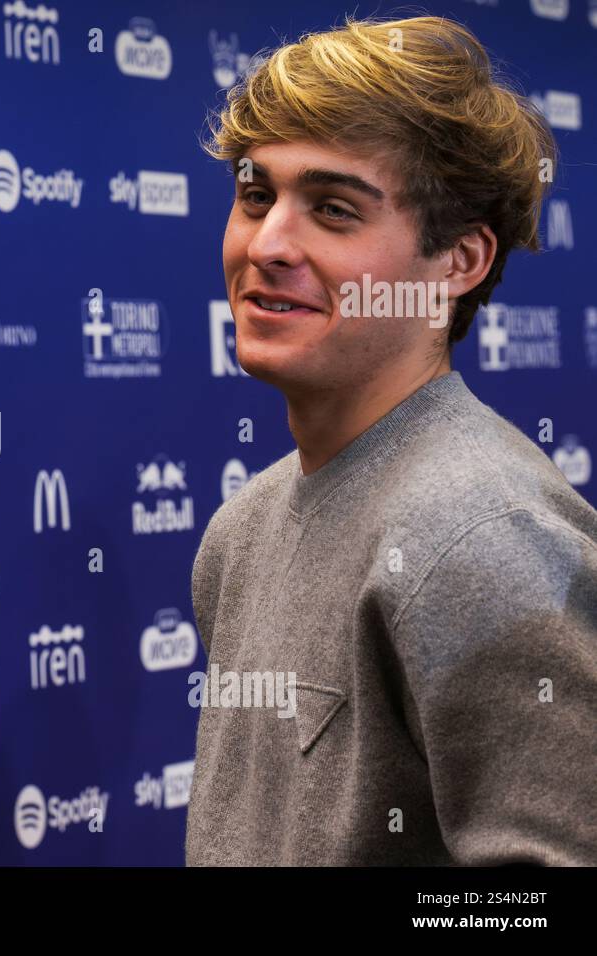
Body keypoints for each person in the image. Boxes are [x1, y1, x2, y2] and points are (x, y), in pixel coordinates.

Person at [187, 16, 597, 865]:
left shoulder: (483, 533)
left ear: (459, 262)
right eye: (256, 195)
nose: (267, 244)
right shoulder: (241, 529)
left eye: (333, 210)